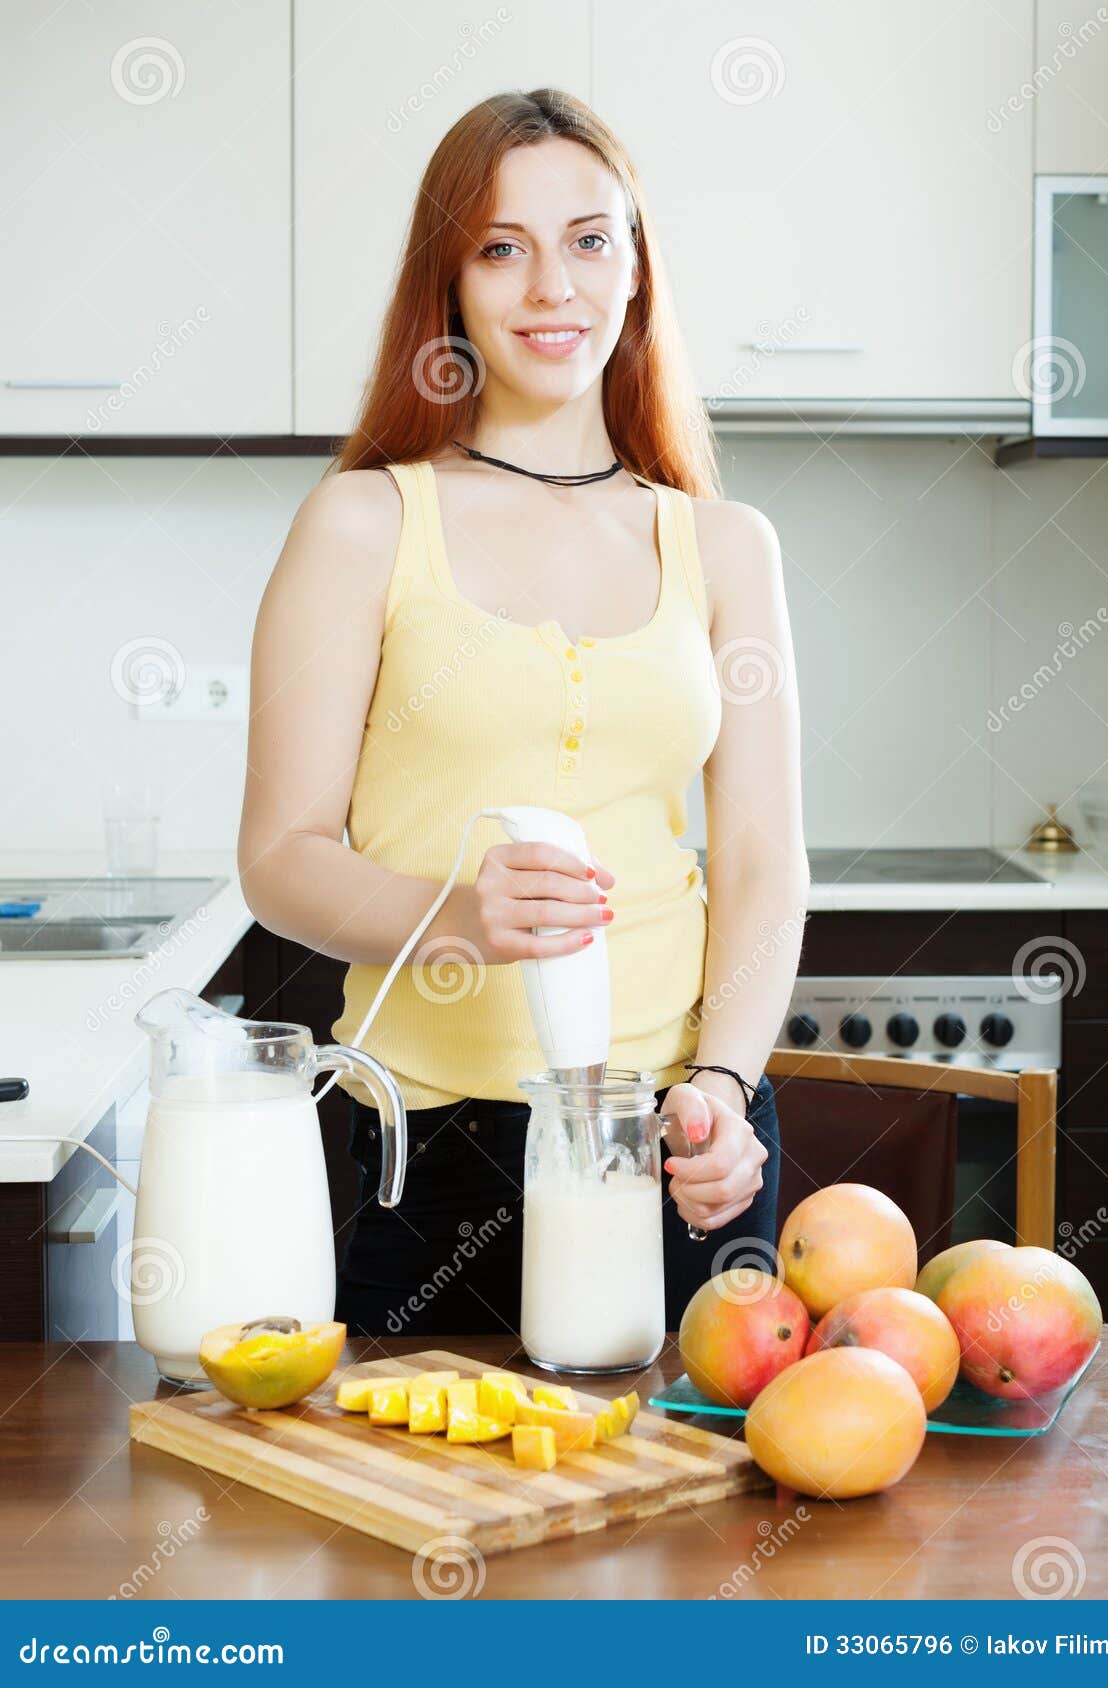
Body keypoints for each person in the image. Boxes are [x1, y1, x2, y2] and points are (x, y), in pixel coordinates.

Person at [238, 88, 809, 1340]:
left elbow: (765, 858)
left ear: (638, 268)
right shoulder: (365, 524)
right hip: (429, 1145)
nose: (553, 285)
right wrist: (452, 917)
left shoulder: (724, 543)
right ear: (449, 285)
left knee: (704, 1513)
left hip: (679, 1133)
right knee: (435, 1507)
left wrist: (725, 1080)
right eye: (503, 247)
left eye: (591, 239)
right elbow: (279, 857)